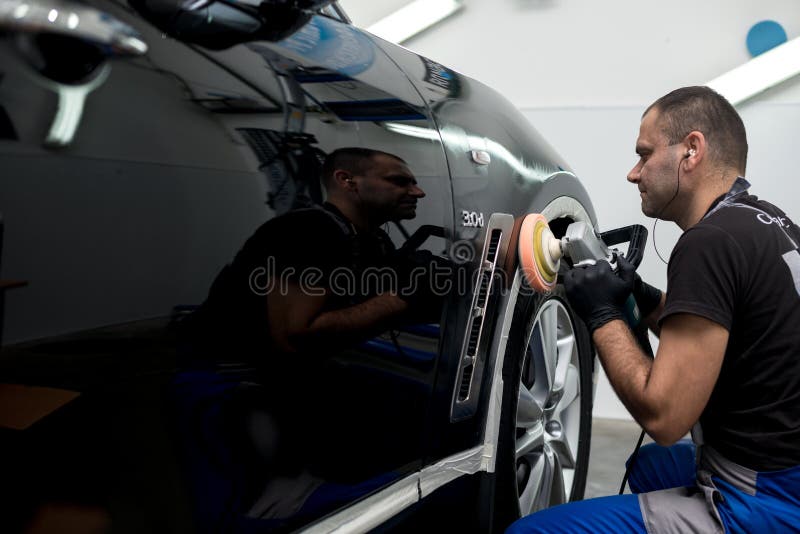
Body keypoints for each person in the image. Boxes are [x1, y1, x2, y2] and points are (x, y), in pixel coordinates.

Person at [508, 86, 800, 533]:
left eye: (644, 154)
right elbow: (730, 337)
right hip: (786, 464)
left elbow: (665, 417)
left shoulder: (708, 243)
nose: (633, 172)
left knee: (529, 532)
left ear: (692, 150)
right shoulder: (768, 222)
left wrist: (602, 314)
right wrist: (644, 297)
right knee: (651, 465)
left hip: (767, 500)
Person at [173, 147, 442, 531]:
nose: (418, 192)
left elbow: (381, 304)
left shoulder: (370, 242)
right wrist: (405, 297)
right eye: (400, 180)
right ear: (347, 181)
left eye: (414, 182)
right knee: (266, 511)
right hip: (226, 384)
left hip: (287, 377)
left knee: (422, 413)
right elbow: (294, 337)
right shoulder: (307, 231)